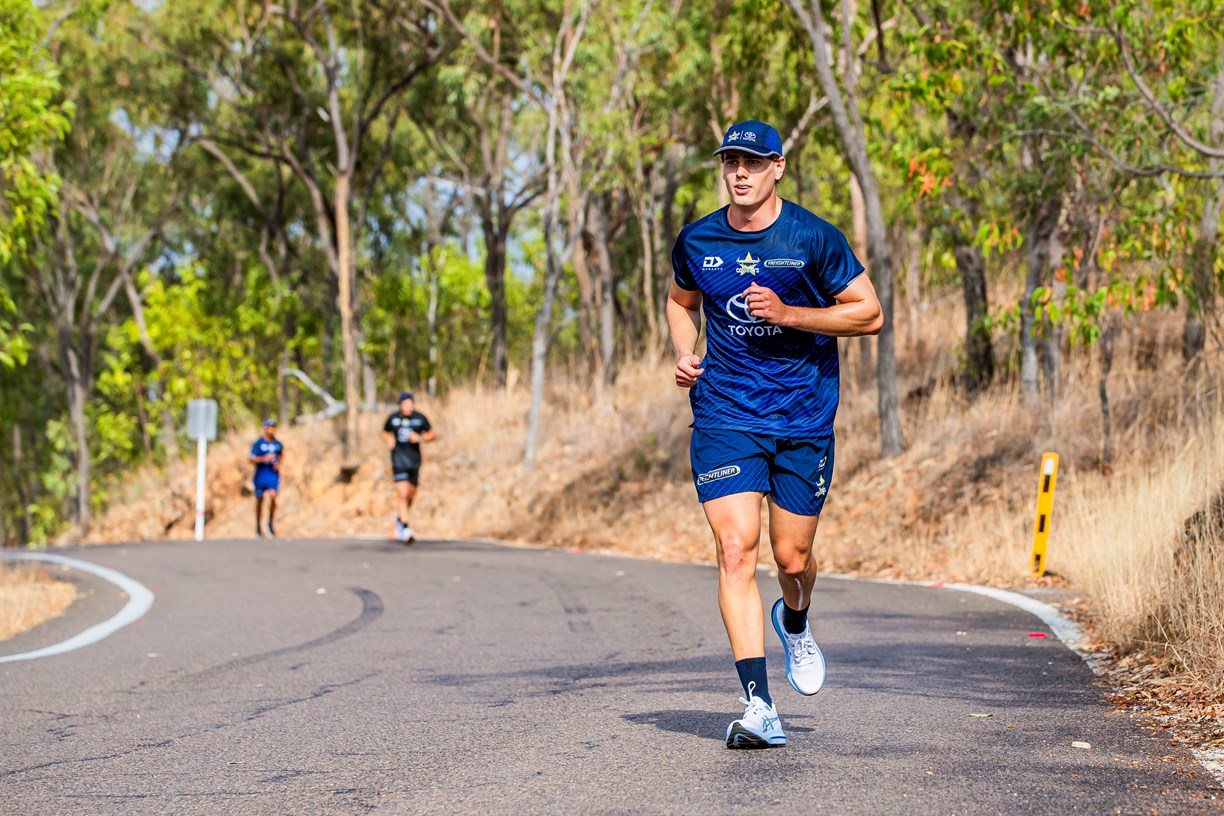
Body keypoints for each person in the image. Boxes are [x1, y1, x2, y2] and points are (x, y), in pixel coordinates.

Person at [667, 120, 883, 749]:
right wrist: (687, 354)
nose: (740, 172)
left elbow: (868, 313)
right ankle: (759, 707)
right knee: (737, 549)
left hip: (802, 417)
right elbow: (681, 301)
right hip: (726, 415)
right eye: (731, 161)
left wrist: (790, 315)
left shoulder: (813, 237)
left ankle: (795, 619)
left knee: (792, 559)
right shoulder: (697, 238)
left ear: (778, 168)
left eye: (754, 162)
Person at [382, 391, 436, 543]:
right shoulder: (393, 418)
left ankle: (399, 518)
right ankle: (405, 528)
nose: (408, 406)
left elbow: (432, 434)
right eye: (405, 403)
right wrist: (388, 440)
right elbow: (385, 432)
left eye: (410, 403)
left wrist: (420, 438)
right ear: (400, 405)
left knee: (411, 495)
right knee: (403, 494)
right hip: (398, 460)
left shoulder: (419, 418)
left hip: (414, 461)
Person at [249, 418, 284, 538]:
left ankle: (270, 523)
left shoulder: (278, 444)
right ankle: (258, 525)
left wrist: (278, 464)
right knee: (260, 499)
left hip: (272, 475)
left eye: (274, 427)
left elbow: (281, 455)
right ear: (265, 428)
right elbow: (251, 458)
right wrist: (264, 458)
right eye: (270, 427)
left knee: (273, 496)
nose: (272, 430)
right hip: (260, 474)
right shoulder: (258, 443)